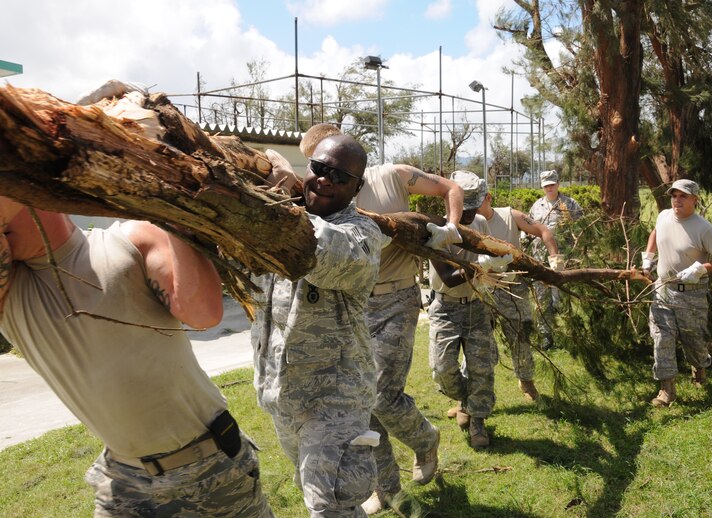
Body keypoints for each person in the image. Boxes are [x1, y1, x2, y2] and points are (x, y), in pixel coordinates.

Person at [0, 198, 274, 517]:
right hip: (122, 479)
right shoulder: (9, 289)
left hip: (209, 466)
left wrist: (173, 216)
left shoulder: (132, 239)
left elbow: (204, 314)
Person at [251, 134, 389, 517]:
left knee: (328, 502)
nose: (326, 180)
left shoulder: (362, 235)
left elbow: (316, 249)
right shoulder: (270, 220)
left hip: (335, 398)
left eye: (340, 177)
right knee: (327, 497)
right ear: (308, 167)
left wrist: (277, 200)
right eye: (320, 168)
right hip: (283, 395)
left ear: (356, 188)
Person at [355, 162, 464, 514]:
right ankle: (386, 489)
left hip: (395, 299)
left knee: (383, 396)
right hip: (351, 303)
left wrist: (451, 227)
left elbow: (451, 188)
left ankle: (425, 437)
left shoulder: (392, 175)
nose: (325, 173)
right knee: (362, 404)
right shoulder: (321, 191)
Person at [428, 171, 511, 449]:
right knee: (444, 371)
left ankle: (478, 420)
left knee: (481, 369)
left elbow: (488, 250)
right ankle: (464, 399)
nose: (469, 213)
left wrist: (498, 260)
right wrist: (482, 266)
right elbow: (450, 277)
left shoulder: (479, 222)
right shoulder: (435, 227)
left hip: (475, 305)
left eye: (473, 207)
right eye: (464, 206)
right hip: (445, 308)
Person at [641, 179, 712, 407]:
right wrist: (648, 258)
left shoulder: (703, 228)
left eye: (683, 196)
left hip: (691, 294)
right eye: (674, 195)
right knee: (661, 338)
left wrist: (701, 268)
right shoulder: (663, 216)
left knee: (694, 341)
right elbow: (655, 232)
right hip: (662, 289)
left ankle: (699, 368)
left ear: (695, 199)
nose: (677, 200)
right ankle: (666, 390)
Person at [475, 190, 561, 401]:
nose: (472, 209)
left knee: (521, 337)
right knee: (479, 342)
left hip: (513, 288)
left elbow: (543, 230)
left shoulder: (510, 216)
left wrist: (555, 258)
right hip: (483, 291)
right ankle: (472, 395)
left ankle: (527, 381)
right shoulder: (467, 220)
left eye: (476, 203)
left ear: (488, 198)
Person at [528, 169, 584, 350]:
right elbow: (528, 228)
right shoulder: (536, 206)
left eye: (552, 184)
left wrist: (574, 252)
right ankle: (546, 336)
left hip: (561, 258)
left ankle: (569, 334)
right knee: (542, 298)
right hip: (540, 258)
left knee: (562, 297)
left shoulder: (570, 204)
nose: (549, 188)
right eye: (546, 186)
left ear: (558, 184)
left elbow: (581, 230)